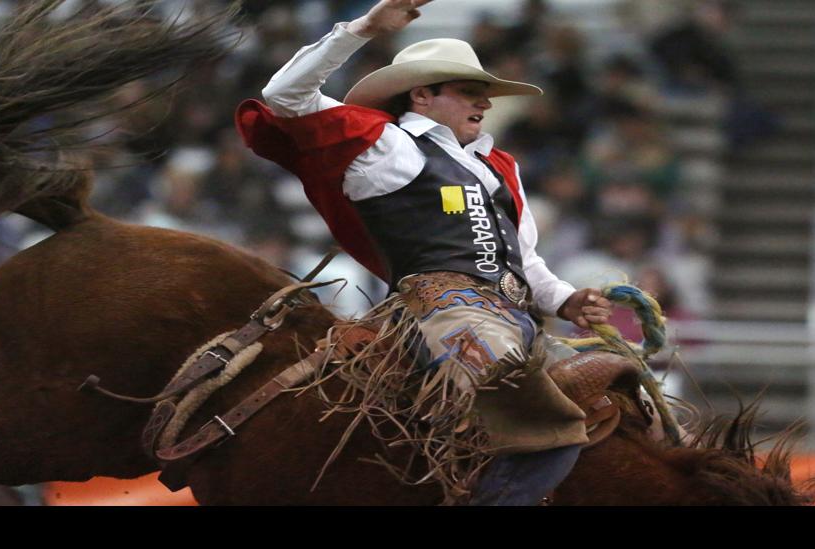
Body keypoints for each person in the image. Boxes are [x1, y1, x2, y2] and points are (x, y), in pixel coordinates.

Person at [237, 0, 617, 505]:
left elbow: (524, 259)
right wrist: (363, 29)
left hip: (515, 317)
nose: (482, 104)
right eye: (467, 92)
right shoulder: (384, 145)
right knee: (544, 429)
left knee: (626, 407)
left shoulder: (500, 164)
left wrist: (566, 300)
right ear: (421, 95)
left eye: (484, 95)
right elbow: (285, 95)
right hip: (443, 310)